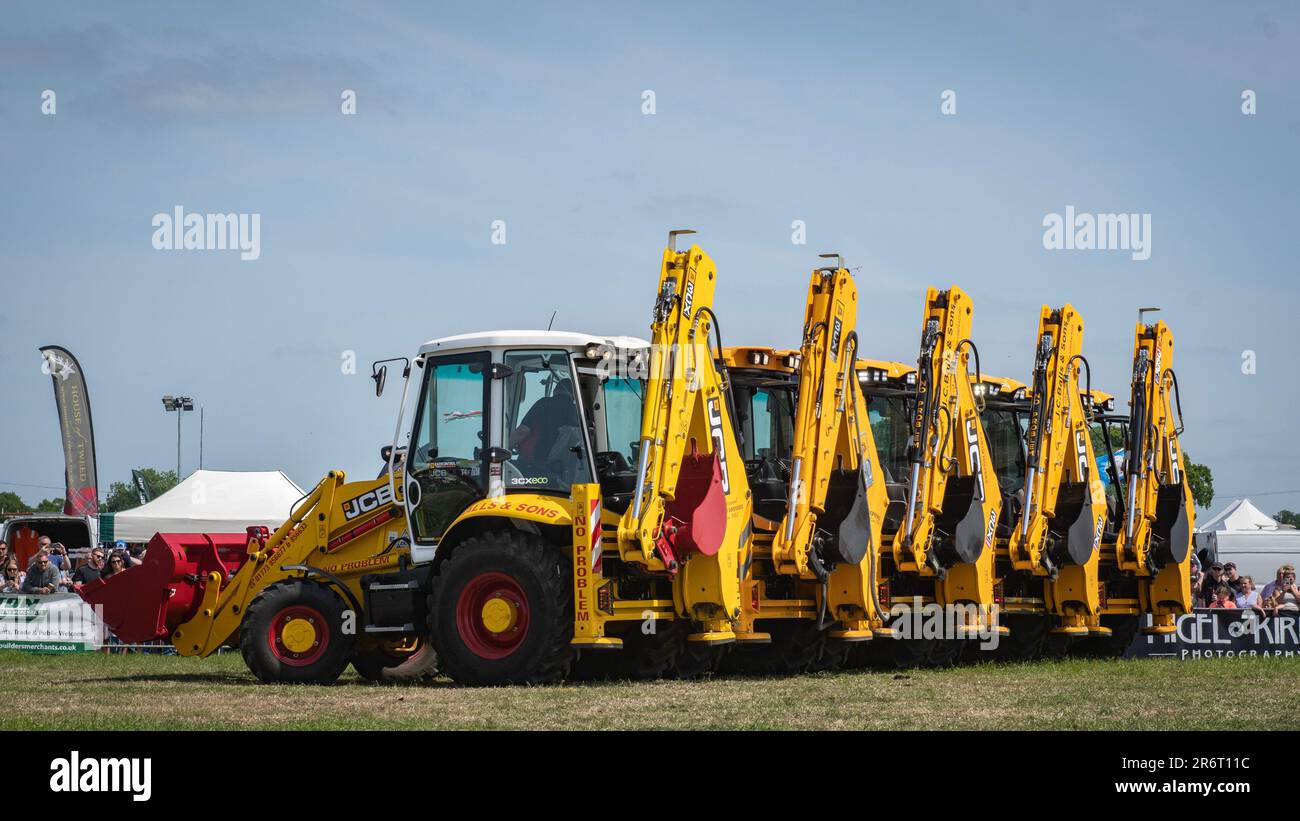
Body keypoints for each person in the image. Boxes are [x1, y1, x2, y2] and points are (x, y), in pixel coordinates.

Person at [509, 378, 581, 467]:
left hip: (535, 464)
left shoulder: (544, 404)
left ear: (555, 390)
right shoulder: (577, 412)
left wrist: (505, 447)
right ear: (574, 394)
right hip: (564, 468)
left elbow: (522, 432)